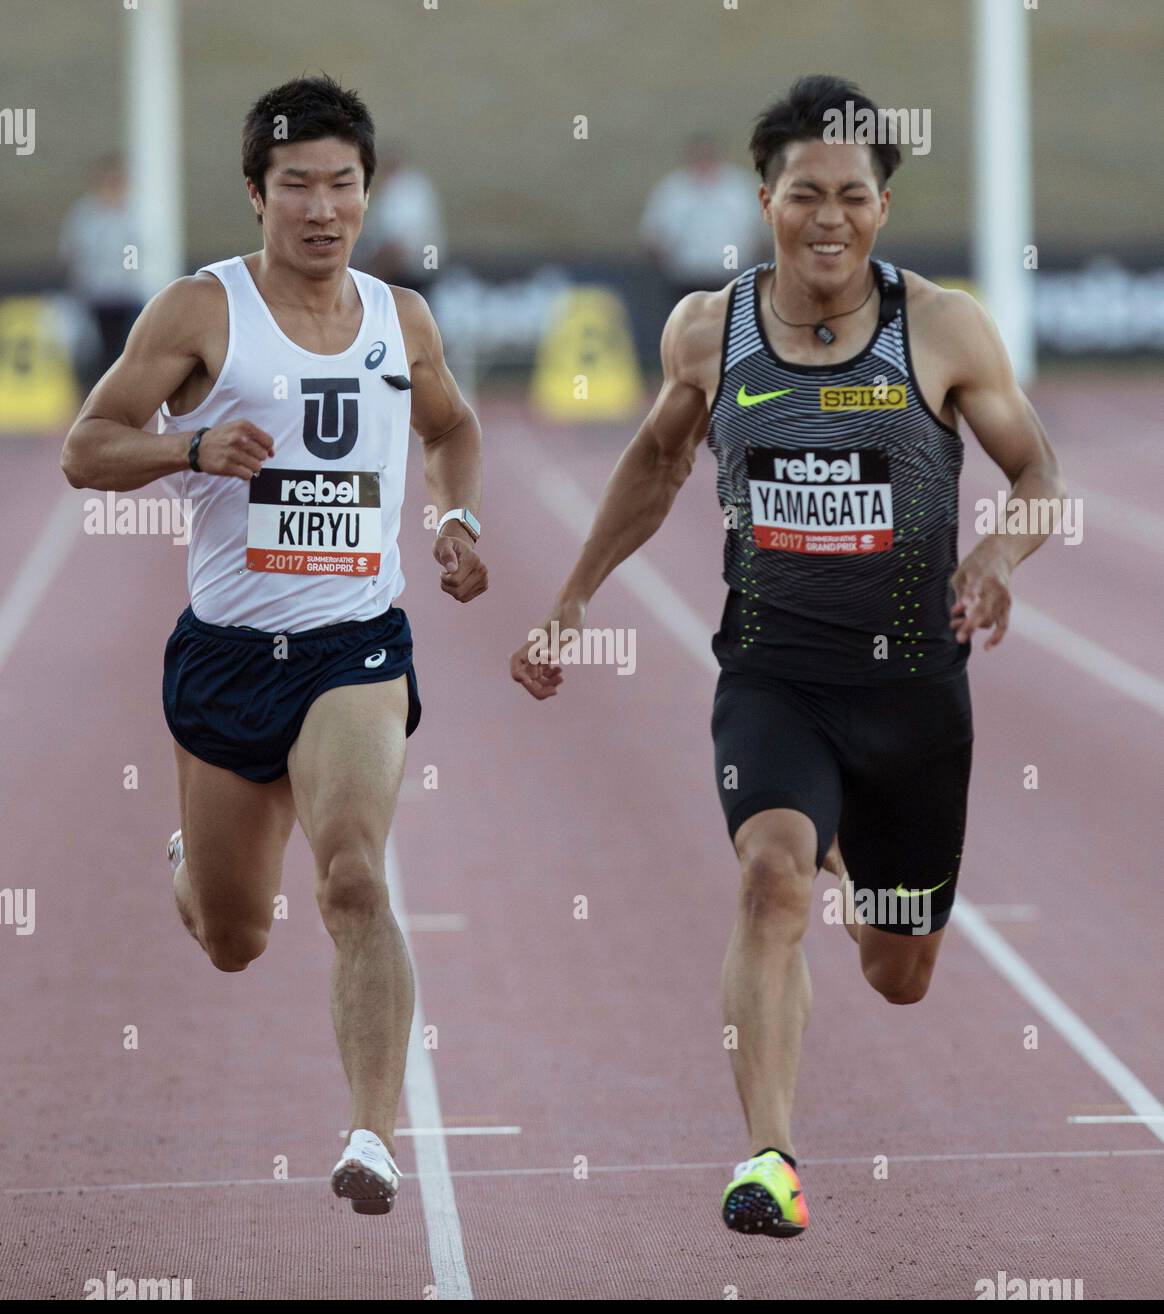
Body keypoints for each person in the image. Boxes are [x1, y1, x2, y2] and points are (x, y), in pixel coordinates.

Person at [512, 75, 1065, 1238]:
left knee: (896, 972)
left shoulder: (948, 327)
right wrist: (570, 598)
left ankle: (867, 855)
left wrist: (999, 561)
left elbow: (1037, 477)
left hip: (915, 693)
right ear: (763, 197)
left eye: (852, 196)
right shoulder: (709, 331)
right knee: (771, 881)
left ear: (882, 204)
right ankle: (769, 1156)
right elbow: (658, 468)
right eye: (804, 193)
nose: (828, 218)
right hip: (775, 678)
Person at [61, 75, 487, 1217]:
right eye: (295, 184)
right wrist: (191, 454)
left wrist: (452, 518)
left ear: (366, 193)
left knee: (353, 878)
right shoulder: (202, 312)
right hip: (227, 655)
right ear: (256, 192)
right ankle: (188, 868)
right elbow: (87, 446)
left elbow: (451, 428)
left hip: (356, 650)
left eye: (340, 185)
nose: (320, 207)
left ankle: (371, 1135)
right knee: (234, 936)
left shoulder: (403, 319)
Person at [639, 134, 768, 303]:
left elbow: (759, 230)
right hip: (685, 280)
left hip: (732, 277)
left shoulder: (739, 188)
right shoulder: (672, 190)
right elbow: (654, 235)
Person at [58, 154, 146, 391]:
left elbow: (141, 253)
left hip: (125, 296)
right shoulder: (85, 215)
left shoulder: (134, 213)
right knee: (95, 354)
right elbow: (71, 253)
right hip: (95, 296)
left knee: (126, 353)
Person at [362, 145, 445, 296]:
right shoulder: (415, 186)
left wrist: (372, 272)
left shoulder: (402, 192)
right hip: (425, 263)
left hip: (410, 269)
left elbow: (398, 242)